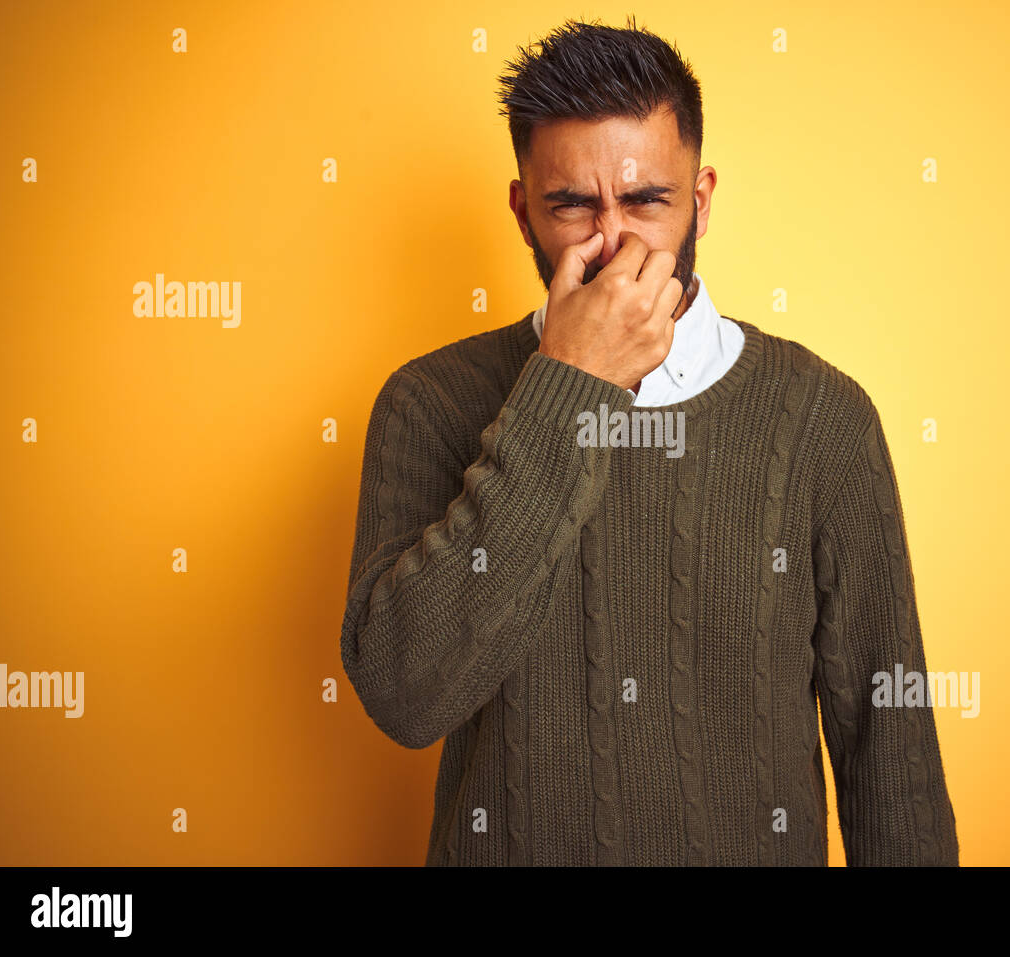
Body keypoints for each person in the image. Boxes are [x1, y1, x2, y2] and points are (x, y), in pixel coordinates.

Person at [339, 16, 959, 866]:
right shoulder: (428, 403)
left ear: (699, 200)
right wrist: (571, 382)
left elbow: (891, 756)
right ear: (523, 213)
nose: (614, 239)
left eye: (646, 201)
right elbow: (406, 695)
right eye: (571, 205)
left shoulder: (823, 418)